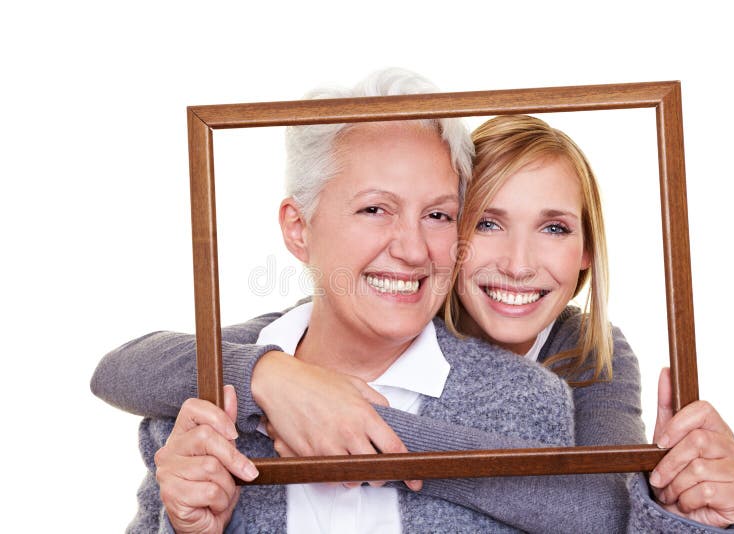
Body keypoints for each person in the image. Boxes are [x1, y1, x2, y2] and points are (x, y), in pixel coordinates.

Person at [93, 77, 734, 532]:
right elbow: (128, 366)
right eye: (487, 223)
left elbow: (601, 513)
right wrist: (273, 379)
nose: (519, 262)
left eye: (436, 214)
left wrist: (686, 502)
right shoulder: (224, 391)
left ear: (588, 251)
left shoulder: (574, 363)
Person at [107, 69, 577, 533]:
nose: (413, 250)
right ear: (298, 228)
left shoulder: (529, 406)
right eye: (375, 209)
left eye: (437, 214)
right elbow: (119, 366)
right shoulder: (200, 404)